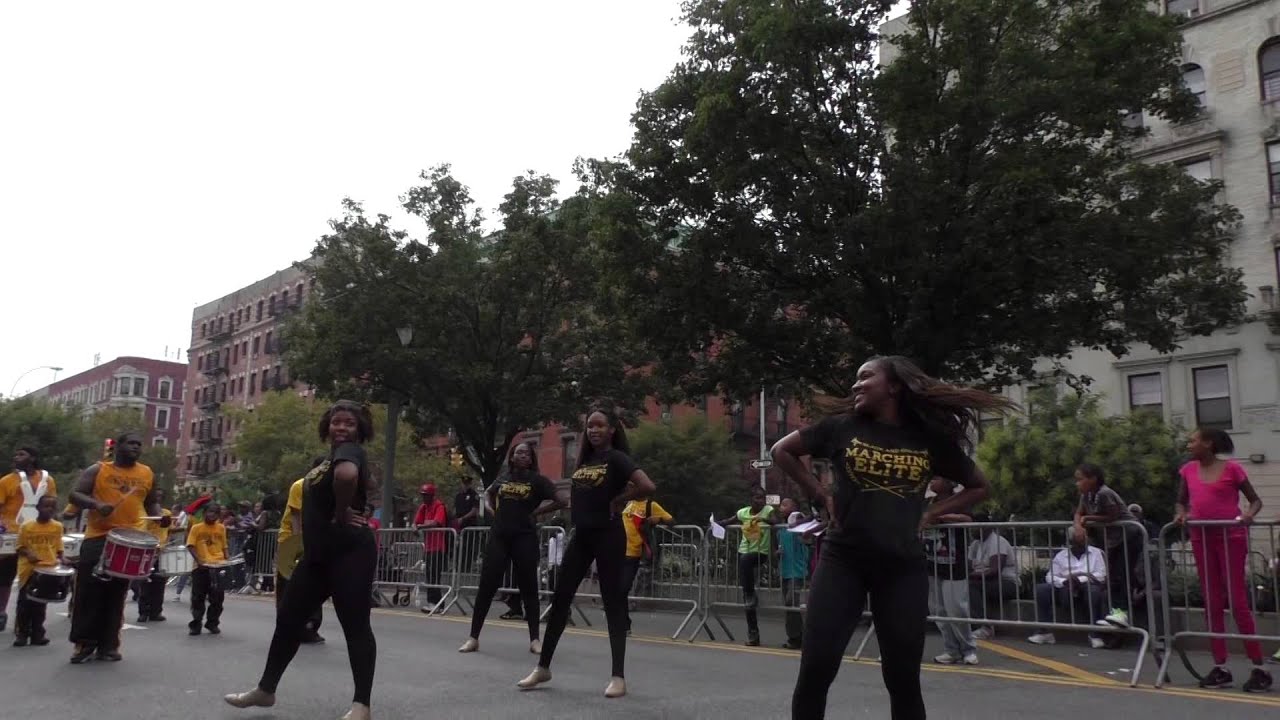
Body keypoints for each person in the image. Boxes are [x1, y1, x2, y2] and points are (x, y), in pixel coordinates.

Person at [771, 355, 1012, 720]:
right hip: (843, 562)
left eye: (865, 377)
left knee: (902, 678)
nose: (855, 385)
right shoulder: (841, 427)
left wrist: (932, 512)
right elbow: (782, 451)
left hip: (902, 568)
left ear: (894, 386)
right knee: (816, 669)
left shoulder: (927, 440)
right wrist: (821, 495)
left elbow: (979, 486)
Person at [225, 400, 379, 720]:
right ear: (326, 425)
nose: (341, 428)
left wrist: (340, 514)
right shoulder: (325, 461)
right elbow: (358, 484)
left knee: (356, 627)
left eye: (349, 423)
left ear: (359, 429)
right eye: (336, 422)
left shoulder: (350, 452)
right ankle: (266, 690)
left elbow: (348, 475)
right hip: (317, 557)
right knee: (288, 620)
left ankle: (361, 705)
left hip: (349, 554)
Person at [517, 407, 657, 699]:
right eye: (589, 426)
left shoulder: (617, 458)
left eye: (599, 426)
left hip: (609, 535)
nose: (593, 430)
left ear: (611, 430)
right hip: (581, 536)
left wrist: (618, 499)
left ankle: (618, 677)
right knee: (560, 599)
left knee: (612, 602)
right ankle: (543, 667)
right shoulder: (585, 460)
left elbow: (646, 485)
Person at [1175, 428, 1271, 693]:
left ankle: (1260, 667)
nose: (1189, 444)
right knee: (1211, 601)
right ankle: (1221, 667)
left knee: (1237, 601)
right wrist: (1181, 515)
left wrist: (1249, 515)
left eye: (1193, 440)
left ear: (1209, 443)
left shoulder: (1232, 469)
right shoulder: (1188, 470)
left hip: (1230, 536)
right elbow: (1181, 502)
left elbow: (1255, 501)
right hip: (1201, 537)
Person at [459, 441, 566, 654]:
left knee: (529, 587)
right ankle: (473, 637)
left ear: (532, 458)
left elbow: (562, 500)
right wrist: (492, 510)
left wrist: (537, 513)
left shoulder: (537, 481)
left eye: (527, 453)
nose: (523, 456)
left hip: (524, 537)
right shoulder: (504, 478)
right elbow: (488, 494)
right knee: (487, 585)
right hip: (499, 536)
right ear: (512, 457)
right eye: (519, 452)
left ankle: (535, 639)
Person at [68, 432, 165, 664]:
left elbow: (151, 501)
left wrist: (159, 515)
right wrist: (96, 504)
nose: (136, 448)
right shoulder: (98, 469)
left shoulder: (146, 473)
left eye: (139, 445)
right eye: (131, 443)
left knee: (116, 594)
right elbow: (75, 494)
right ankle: (84, 643)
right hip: (98, 537)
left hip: (128, 538)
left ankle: (108, 645)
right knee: (89, 593)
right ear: (118, 446)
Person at [1072, 463, 1143, 633]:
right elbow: (1078, 513)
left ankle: (1122, 613)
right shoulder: (1086, 496)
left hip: (1129, 535)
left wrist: (1088, 518)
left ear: (1093, 479)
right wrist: (1079, 526)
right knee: (1112, 577)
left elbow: (1113, 515)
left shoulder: (1104, 493)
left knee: (1122, 574)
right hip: (1113, 540)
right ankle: (1116, 613)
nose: (1077, 483)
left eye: (1080, 479)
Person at [0, 446, 57, 633]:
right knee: (5, 577)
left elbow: (51, 505)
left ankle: (32, 623)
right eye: (15, 454)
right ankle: (1, 613)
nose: (16, 457)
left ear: (33, 458)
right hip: (11, 534)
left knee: (37, 579)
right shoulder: (7, 481)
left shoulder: (47, 480)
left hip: (40, 536)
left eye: (21, 454)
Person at [713, 485, 777, 647]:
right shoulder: (743, 512)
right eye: (757, 498)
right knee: (747, 598)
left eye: (762, 497)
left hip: (759, 552)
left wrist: (763, 520)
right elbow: (729, 521)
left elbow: (775, 522)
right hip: (745, 550)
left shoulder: (768, 510)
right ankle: (753, 635)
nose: (760, 501)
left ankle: (750, 594)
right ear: (751, 499)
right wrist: (715, 525)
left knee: (746, 562)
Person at [924, 477, 978, 665]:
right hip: (933, 562)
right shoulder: (929, 502)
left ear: (948, 482)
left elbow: (969, 520)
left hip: (955, 563)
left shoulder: (960, 500)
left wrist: (943, 517)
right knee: (938, 610)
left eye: (936, 478)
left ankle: (968, 648)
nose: (932, 482)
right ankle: (951, 649)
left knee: (957, 609)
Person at [1027, 526, 1109, 648]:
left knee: (1094, 592)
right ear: (1071, 542)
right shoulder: (1061, 555)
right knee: (1042, 589)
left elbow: (1101, 575)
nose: (1082, 545)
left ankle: (1095, 634)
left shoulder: (1096, 553)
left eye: (1084, 541)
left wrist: (1079, 580)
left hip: (1086, 586)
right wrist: (1064, 581)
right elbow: (1050, 576)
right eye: (1078, 542)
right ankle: (1045, 632)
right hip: (1064, 587)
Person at [619, 491, 673, 634]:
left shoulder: (650, 505)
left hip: (634, 553)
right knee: (617, 590)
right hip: (618, 551)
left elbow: (671, 521)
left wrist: (657, 520)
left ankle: (624, 625)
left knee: (623, 588)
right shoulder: (629, 503)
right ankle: (619, 623)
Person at [13, 495, 64, 646]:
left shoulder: (57, 527)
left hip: (48, 570)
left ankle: (37, 634)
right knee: (24, 604)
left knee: (40, 605)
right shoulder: (26, 526)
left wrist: (63, 558)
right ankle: (22, 634)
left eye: (52, 507)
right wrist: (28, 553)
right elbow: (20, 547)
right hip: (29, 570)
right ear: (38, 508)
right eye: (45, 506)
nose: (49, 509)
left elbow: (58, 547)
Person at [967, 513, 1019, 640]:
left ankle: (985, 627)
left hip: (1007, 583)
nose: (971, 531)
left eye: (974, 527)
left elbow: (994, 571)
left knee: (971, 586)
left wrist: (970, 575)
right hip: (985, 582)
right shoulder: (975, 544)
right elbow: (967, 566)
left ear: (986, 527)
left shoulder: (997, 542)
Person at [187, 502, 229, 635]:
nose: (213, 515)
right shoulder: (196, 528)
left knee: (217, 598)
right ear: (204, 513)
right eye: (210, 511)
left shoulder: (221, 527)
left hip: (218, 566)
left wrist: (228, 561)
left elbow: (224, 546)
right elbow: (190, 545)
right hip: (201, 568)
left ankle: (212, 623)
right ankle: (196, 624)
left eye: (216, 513)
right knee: (198, 598)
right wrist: (199, 561)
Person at [776, 497, 811, 650]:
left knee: (791, 603)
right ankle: (795, 637)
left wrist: (796, 520)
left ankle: (799, 637)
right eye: (780, 504)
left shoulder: (797, 518)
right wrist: (778, 552)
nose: (781, 507)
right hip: (785, 571)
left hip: (797, 571)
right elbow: (780, 547)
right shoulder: (781, 527)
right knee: (789, 606)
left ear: (794, 506)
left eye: (785, 504)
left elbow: (806, 520)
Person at [137, 489, 172, 623]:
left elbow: (168, 531)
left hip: (161, 550)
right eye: (155, 496)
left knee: (160, 583)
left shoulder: (166, 513)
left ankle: (156, 612)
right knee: (145, 582)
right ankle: (143, 612)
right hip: (146, 550)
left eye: (160, 496)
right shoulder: (142, 513)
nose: (157, 498)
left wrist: (165, 546)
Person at [413, 483, 449, 610]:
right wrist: (415, 527)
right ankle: (434, 603)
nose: (424, 498)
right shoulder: (423, 507)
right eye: (423, 495)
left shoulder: (439, 506)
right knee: (429, 575)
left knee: (434, 575)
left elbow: (436, 522)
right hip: (428, 547)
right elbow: (416, 522)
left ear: (432, 495)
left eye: (426, 495)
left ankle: (435, 603)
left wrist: (421, 526)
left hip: (438, 547)